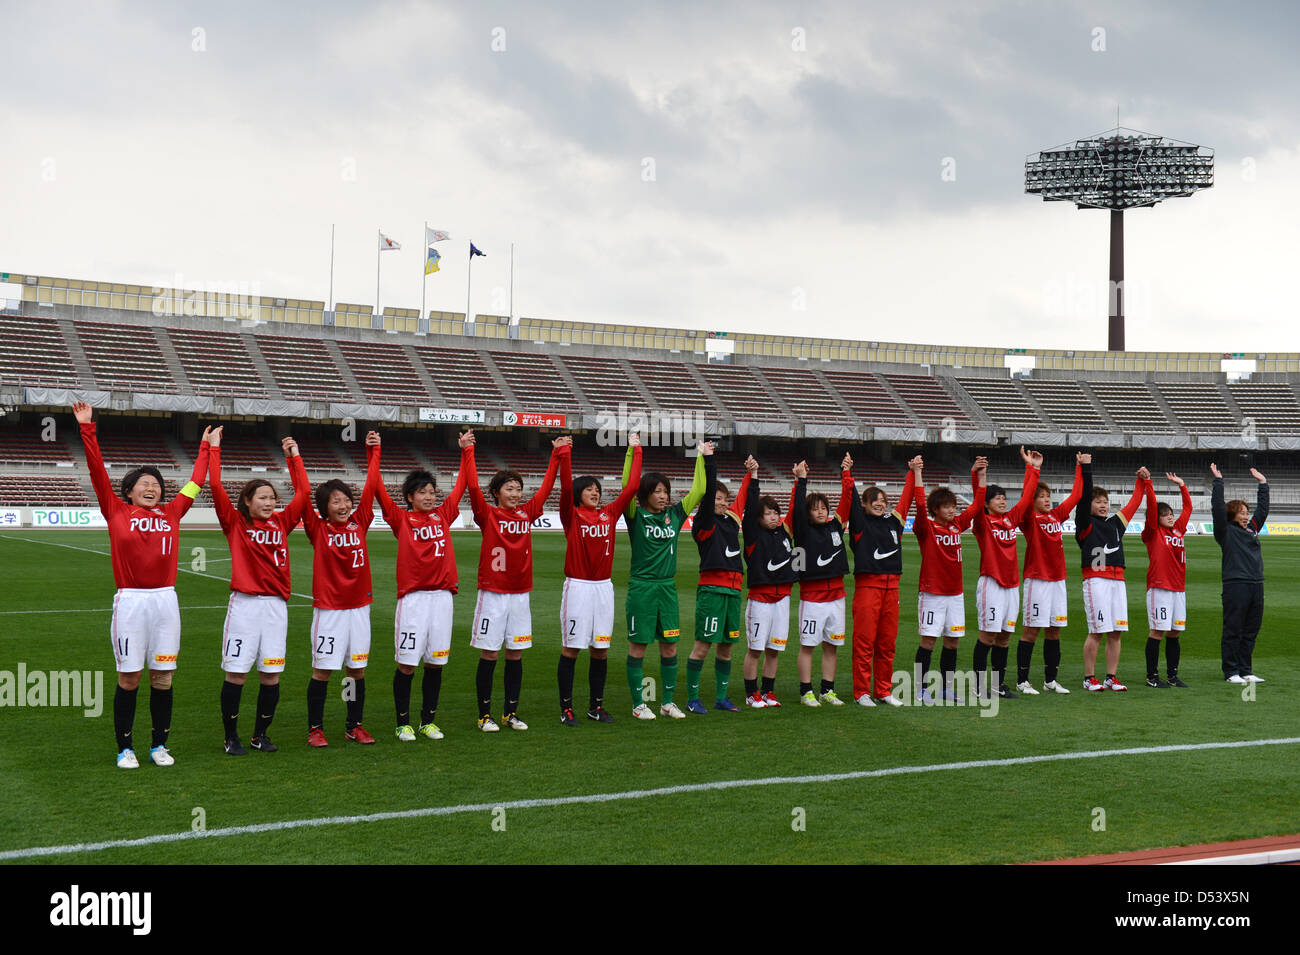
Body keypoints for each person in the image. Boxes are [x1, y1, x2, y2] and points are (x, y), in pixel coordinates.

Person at [74, 401, 212, 769]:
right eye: (143, 484)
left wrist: (206, 448)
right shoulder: (116, 511)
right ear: (129, 491)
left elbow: (197, 481)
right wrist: (88, 428)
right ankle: (125, 748)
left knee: (163, 677)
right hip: (132, 602)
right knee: (130, 676)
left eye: (156, 485)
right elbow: (97, 472)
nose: (151, 488)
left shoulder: (173, 512)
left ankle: (158, 745)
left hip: (166, 601)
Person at [374, 429, 475, 741]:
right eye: (423, 492)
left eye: (432, 491)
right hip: (414, 601)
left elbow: (462, 487)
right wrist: (374, 452)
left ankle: (428, 720)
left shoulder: (443, 516)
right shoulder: (401, 520)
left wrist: (466, 451)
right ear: (409, 497)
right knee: (407, 665)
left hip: (442, 599)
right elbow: (377, 489)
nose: (430, 496)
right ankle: (402, 722)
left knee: (435, 663)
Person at [212, 433, 309, 755]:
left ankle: (259, 735)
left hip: (276, 609)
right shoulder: (235, 523)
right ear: (248, 502)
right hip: (245, 607)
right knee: (237, 674)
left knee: (271, 675)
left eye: (272, 498)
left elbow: (305, 492)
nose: (269, 503)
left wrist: (293, 456)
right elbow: (215, 487)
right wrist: (214, 449)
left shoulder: (282, 522)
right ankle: (230, 737)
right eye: (262, 498)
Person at [467, 434, 569, 731]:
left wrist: (556, 456)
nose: (515, 493)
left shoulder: (527, 513)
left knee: (515, 653)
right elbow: (473, 487)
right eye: (509, 488)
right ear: (497, 492)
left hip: (520, 594)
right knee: (490, 653)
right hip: (493, 593)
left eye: (518, 489)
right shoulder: (487, 514)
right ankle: (484, 715)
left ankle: (509, 713)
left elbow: (548, 488)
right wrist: (469, 451)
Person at [292, 432, 382, 746]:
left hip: (359, 608)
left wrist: (374, 451)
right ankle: (315, 729)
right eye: (336, 501)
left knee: (355, 670)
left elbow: (371, 487)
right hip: (330, 610)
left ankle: (353, 725)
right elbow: (302, 492)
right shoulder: (317, 528)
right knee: (323, 671)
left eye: (345, 499)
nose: (343, 505)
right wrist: (295, 457)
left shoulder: (361, 521)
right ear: (324, 507)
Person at [557, 432, 642, 726]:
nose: (595, 492)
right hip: (578, 587)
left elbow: (631, 487)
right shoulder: (572, 514)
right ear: (579, 493)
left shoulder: (608, 514)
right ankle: (566, 708)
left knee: (601, 648)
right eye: (589, 489)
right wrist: (565, 454)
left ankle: (596, 706)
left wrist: (636, 449)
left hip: (603, 588)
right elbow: (566, 486)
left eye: (597, 489)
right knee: (571, 648)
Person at [622, 440, 708, 719]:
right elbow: (628, 487)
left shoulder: (674, 514)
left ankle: (667, 702)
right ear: (646, 494)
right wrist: (633, 452)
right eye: (657, 491)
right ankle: (638, 705)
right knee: (638, 645)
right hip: (642, 587)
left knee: (670, 645)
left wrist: (700, 457)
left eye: (666, 492)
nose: (663, 496)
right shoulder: (636, 515)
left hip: (667, 589)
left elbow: (699, 490)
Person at [912, 457, 987, 701]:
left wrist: (978, 474)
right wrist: (917, 473)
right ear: (936, 509)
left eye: (953, 505)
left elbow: (977, 506)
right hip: (932, 593)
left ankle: (946, 688)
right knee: (928, 641)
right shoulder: (926, 528)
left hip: (955, 594)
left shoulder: (957, 525)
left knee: (952, 642)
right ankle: (921, 689)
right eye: (946, 506)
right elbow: (920, 505)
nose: (952, 509)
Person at [847, 455, 919, 707]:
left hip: (892, 589)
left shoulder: (894, 523)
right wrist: (848, 473)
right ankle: (861, 692)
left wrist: (911, 472)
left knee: (887, 644)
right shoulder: (859, 523)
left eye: (883, 501)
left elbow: (907, 499)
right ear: (865, 504)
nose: (880, 505)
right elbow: (852, 501)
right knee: (864, 643)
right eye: (875, 501)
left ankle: (883, 690)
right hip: (868, 588)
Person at [685, 450, 753, 714]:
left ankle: (721, 698)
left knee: (727, 648)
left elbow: (745, 498)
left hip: (734, 592)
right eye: (717, 498)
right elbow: (709, 488)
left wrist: (751, 473)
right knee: (703, 646)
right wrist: (709, 461)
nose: (723, 503)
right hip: (712, 591)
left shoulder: (730, 522)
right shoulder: (704, 523)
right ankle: (692, 698)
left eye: (726, 499)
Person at [970, 448, 1040, 699]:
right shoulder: (982, 522)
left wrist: (1032, 468)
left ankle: (998, 685)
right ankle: (979, 686)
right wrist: (979, 475)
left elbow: (1027, 497)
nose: (1002, 501)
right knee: (988, 635)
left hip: (1012, 586)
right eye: (997, 498)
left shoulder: (1011, 519)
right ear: (987, 503)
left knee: (1004, 637)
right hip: (992, 583)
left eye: (1003, 497)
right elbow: (977, 501)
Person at [1015, 452, 1086, 695]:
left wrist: (1078, 466)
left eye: (1048, 496)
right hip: (1037, 580)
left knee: (1054, 630)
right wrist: (1032, 469)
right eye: (1041, 497)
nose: (1047, 500)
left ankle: (1050, 680)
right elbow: (1026, 495)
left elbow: (1077, 495)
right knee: (1031, 630)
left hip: (1058, 580)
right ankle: (1022, 680)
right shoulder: (1028, 518)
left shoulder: (1056, 516)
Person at [1075, 459, 1146, 692]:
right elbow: (1083, 497)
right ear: (1090, 505)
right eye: (1098, 502)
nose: (1103, 505)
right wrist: (1086, 469)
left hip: (1117, 581)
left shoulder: (1116, 524)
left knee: (1116, 632)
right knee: (1097, 631)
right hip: (1096, 580)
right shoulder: (1085, 524)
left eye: (1106, 502)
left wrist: (1142, 481)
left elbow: (1134, 503)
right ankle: (1089, 677)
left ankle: (1111, 677)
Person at [791, 454, 855, 707]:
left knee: (832, 646)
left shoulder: (835, 527)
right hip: (813, 598)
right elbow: (797, 508)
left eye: (823, 508)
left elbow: (847, 501)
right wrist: (801, 480)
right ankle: (806, 691)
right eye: (815, 508)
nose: (820, 512)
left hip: (837, 596)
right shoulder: (803, 530)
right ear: (807, 513)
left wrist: (846, 473)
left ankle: (827, 690)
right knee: (808, 646)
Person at [739, 458, 796, 708]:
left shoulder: (785, 534)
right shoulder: (753, 536)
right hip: (760, 599)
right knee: (756, 649)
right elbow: (750, 509)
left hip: (782, 598)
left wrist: (800, 481)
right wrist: (754, 476)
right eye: (768, 513)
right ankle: (752, 694)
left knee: (774, 649)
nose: (773, 517)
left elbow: (796, 511)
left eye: (776, 513)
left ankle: (768, 691)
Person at [1210, 463, 1268, 685]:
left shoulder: (1252, 529)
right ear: (1232, 515)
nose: (1246, 516)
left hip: (1256, 584)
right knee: (1234, 629)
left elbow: (1262, 511)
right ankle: (1231, 671)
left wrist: (1263, 484)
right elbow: (1217, 508)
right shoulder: (1224, 532)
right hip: (1236, 584)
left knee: (1251, 630)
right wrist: (1218, 481)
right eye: (1241, 513)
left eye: (1246, 513)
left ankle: (1246, 670)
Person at [1140, 471, 1193, 688]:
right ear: (1156, 517)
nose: (1170, 516)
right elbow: (1151, 508)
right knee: (1158, 631)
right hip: (1160, 588)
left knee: (1175, 631)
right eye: (1165, 514)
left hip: (1178, 589)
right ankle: (1151, 676)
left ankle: (1172, 675)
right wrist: (1148, 483)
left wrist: (1182, 485)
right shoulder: (1153, 533)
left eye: (1170, 513)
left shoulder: (1178, 531)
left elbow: (1188, 508)